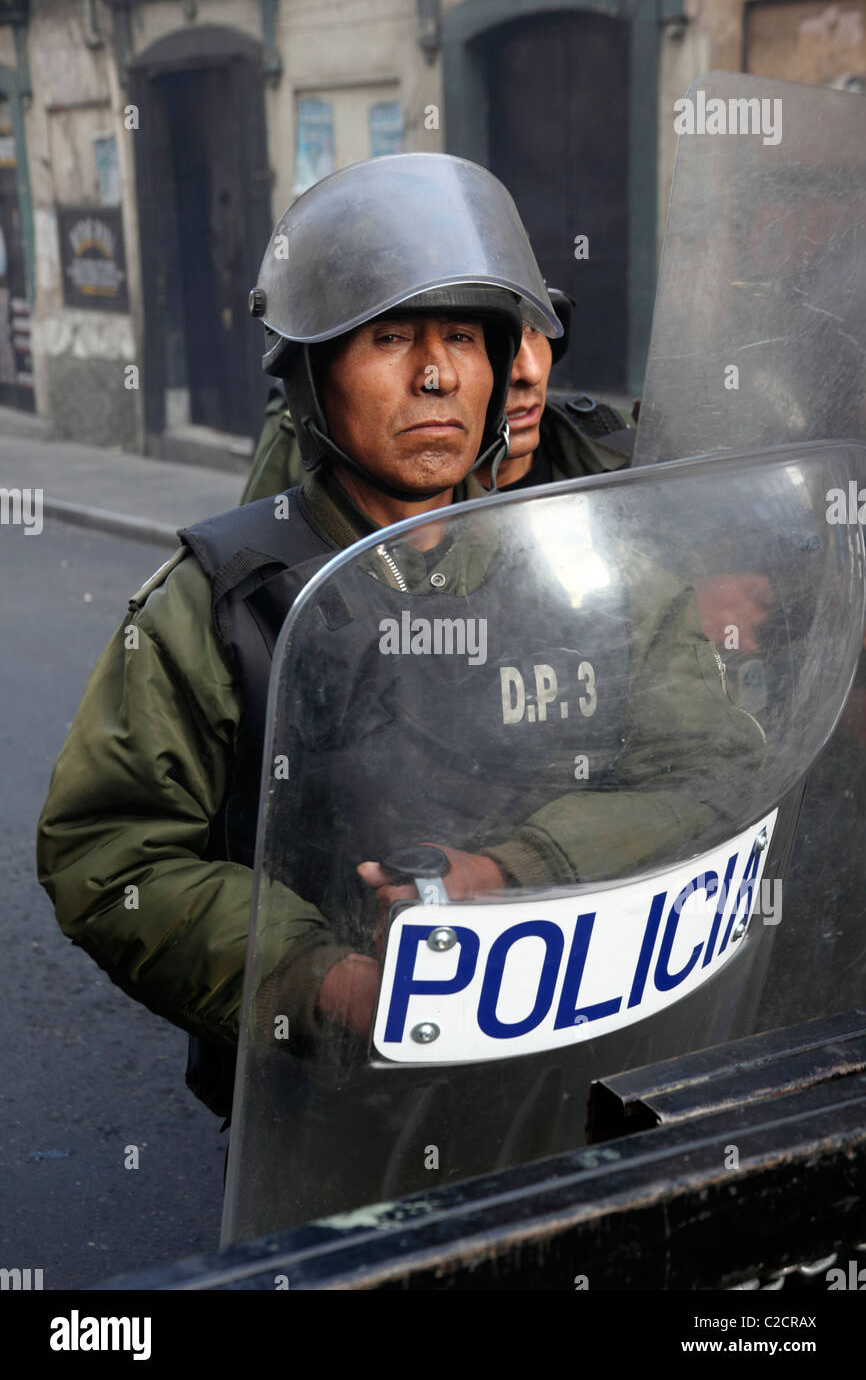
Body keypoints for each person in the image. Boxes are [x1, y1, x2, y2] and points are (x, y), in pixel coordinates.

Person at [37, 153, 763, 1125]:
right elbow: (109, 851)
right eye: (389, 338)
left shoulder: (598, 571)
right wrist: (317, 977)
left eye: (462, 337)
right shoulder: (220, 600)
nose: (434, 374)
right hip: (332, 1107)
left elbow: (713, 773)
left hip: (581, 1078)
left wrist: (517, 866)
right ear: (311, 378)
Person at [239, 287, 636, 506]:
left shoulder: (617, 441)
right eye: (392, 339)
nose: (527, 372)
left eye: (536, 331)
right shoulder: (327, 444)